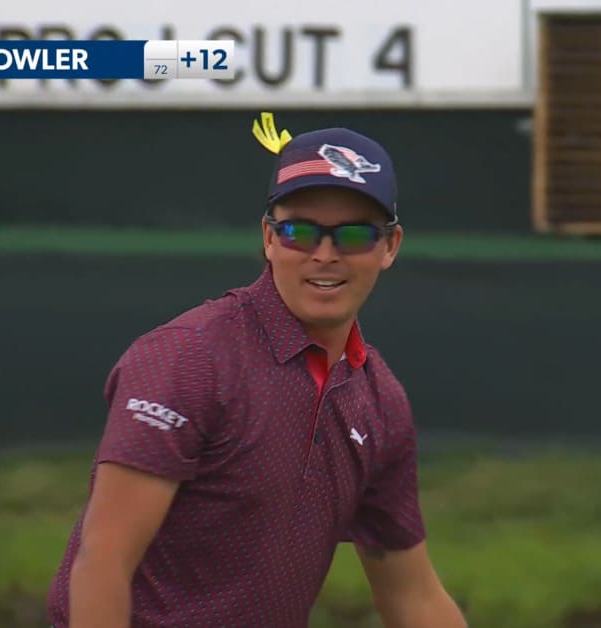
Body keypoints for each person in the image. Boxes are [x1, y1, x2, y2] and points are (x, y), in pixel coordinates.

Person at [45, 113, 467, 628]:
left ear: (390, 248)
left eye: (354, 235)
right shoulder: (189, 358)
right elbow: (103, 563)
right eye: (299, 232)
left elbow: (414, 598)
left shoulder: (378, 399)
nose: (325, 254)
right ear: (268, 239)